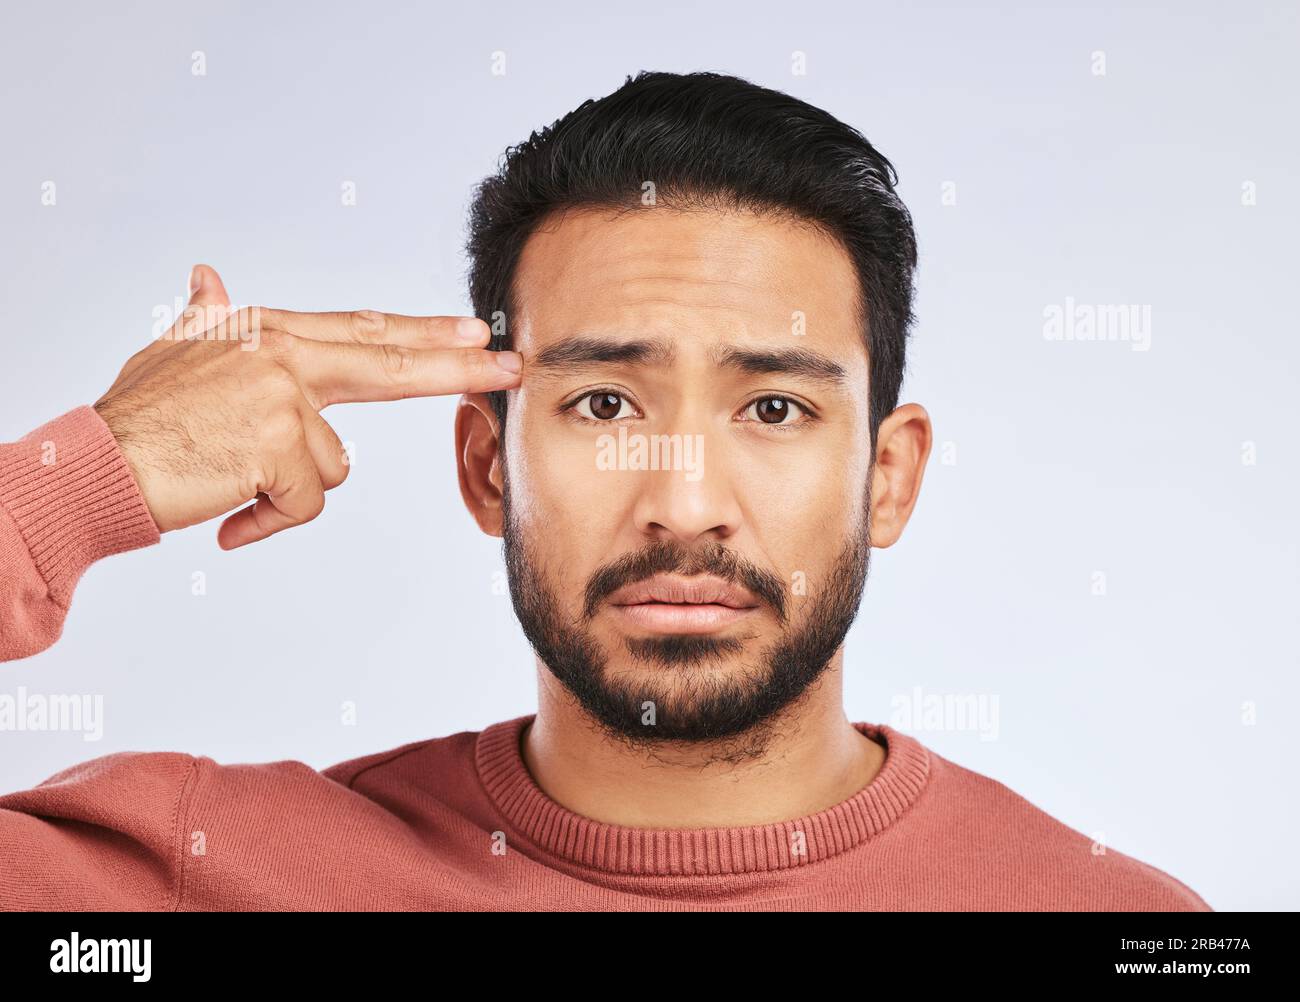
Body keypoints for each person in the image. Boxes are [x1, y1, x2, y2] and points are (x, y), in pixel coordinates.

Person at [0, 71, 1210, 911]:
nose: (682, 504)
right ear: (486, 467)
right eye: (605, 406)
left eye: (774, 408)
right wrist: (83, 480)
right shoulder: (200, 875)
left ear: (886, 478)